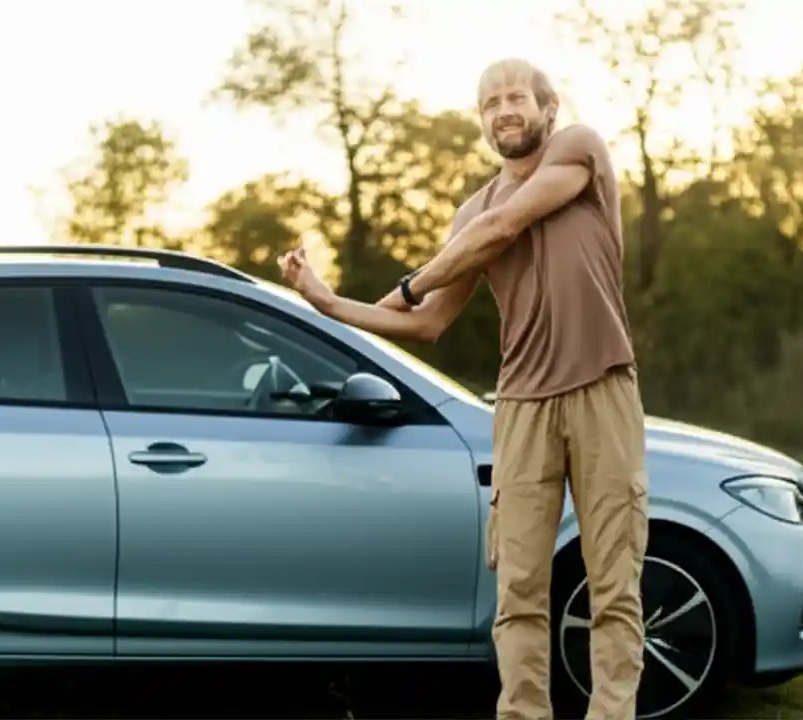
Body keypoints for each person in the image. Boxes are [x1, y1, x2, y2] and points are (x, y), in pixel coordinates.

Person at [277, 57, 647, 720]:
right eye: (490, 103)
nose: (504, 110)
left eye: (515, 98)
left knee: (613, 581)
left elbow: (499, 232)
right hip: (522, 407)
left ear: (547, 107)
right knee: (519, 589)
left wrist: (410, 281)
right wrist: (333, 305)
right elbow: (426, 323)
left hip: (602, 390)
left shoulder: (578, 151)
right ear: (482, 121)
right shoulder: (469, 209)